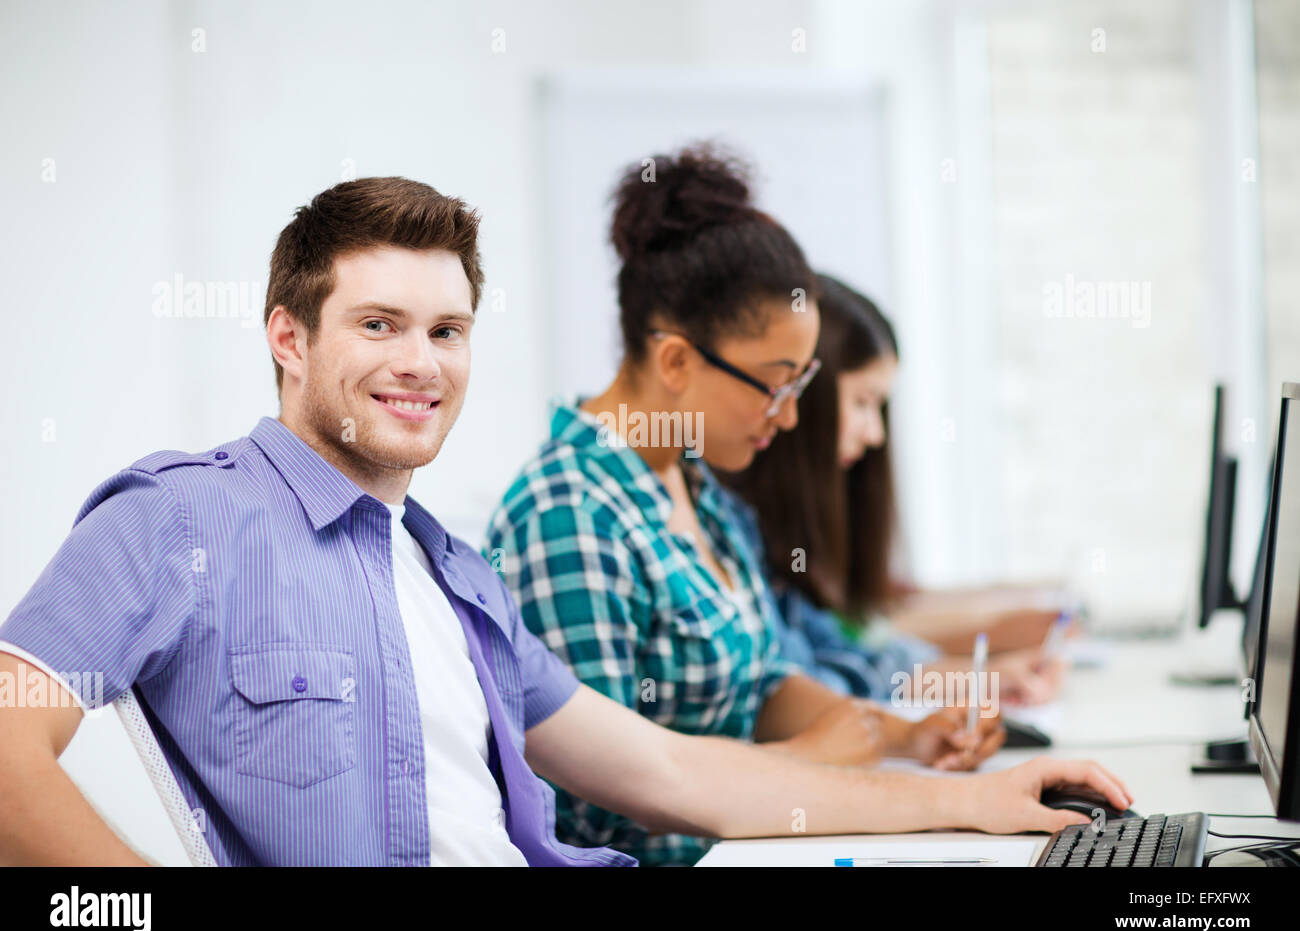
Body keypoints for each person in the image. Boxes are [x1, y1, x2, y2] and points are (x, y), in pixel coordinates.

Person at [0, 175, 1129, 868]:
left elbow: (681, 776)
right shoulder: (184, 513)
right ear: (287, 338)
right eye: (379, 323)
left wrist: (977, 801)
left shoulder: (448, 572)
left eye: (447, 330)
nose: (419, 362)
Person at [483, 147, 1069, 866]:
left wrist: (897, 735)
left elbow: (759, 681)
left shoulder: (696, 483)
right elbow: (595, 813)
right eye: (775, 385)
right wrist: (807, 763)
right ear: (675, 362)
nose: (789, 420)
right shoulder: (567, 517)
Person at [719, 274, 1068, 706]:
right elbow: (803, 686)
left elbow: (848, 654)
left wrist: (980, 677)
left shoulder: (788, 535)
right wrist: (977, 668)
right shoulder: (732, 523)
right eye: (863, 402)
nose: (875, 435)